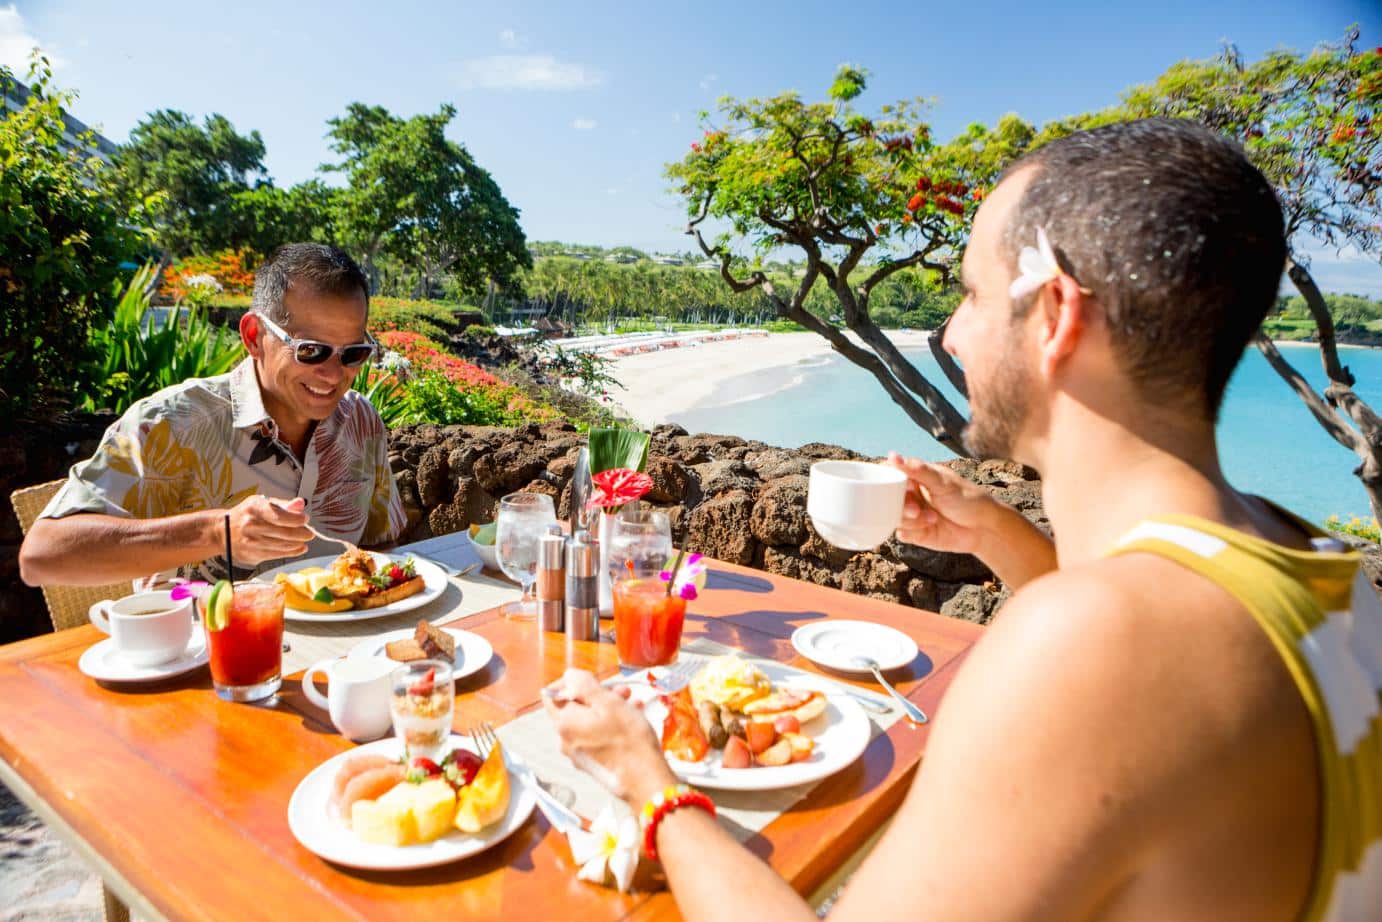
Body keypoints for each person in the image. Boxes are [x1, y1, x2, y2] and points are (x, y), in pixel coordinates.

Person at [546, 119, 1381, 920]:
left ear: (1056, 318)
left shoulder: (1095, 645)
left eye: (973, 294)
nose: (951, 332)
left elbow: (1115, 655)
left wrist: (650, 783)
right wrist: (1002, 538)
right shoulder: (1311, 557)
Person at [19, 243, 405, 587]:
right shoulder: (172, 424)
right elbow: (42, 556)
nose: (335, 375)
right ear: (254, 336)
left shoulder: (361, 422)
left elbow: (384, 546)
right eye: (310, 351)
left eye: (353, 353)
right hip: (206, 657)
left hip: (339, 661)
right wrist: (217, 532)